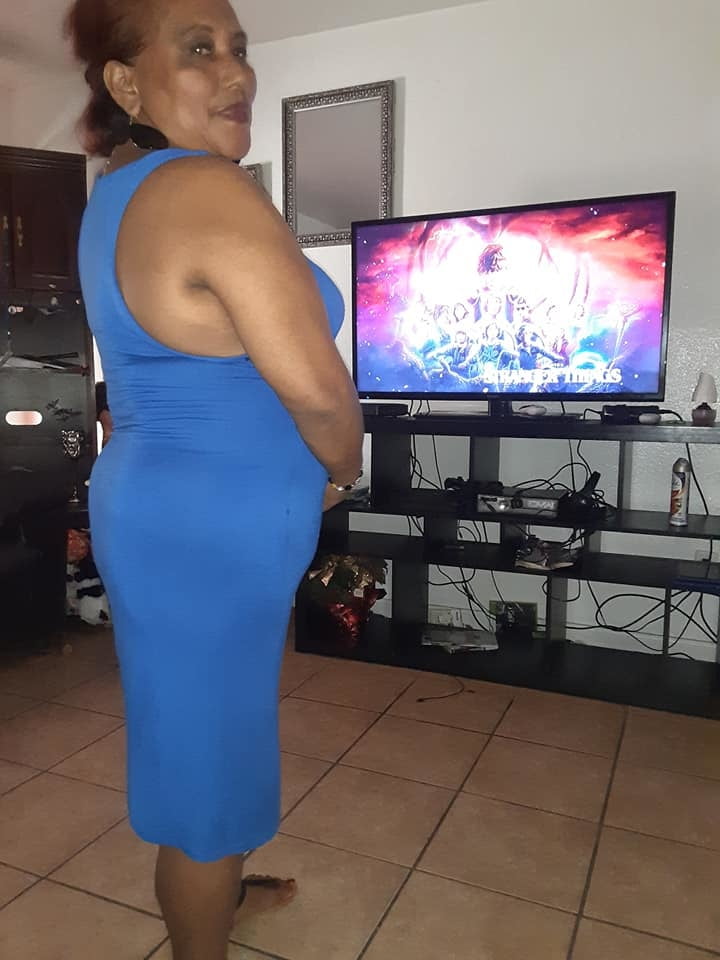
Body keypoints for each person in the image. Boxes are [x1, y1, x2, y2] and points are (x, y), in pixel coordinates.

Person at [64, 1, 364, 959]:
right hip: (210, 526)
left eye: (239, 48)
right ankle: (205, 919)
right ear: (126, 82)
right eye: (199, 50)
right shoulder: (204, 188)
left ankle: (218, 888)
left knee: (204, 727)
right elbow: (319, 390)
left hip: (172, 509)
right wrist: (343, 470)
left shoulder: (121, 190)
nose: (236, 72)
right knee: (210, 771)